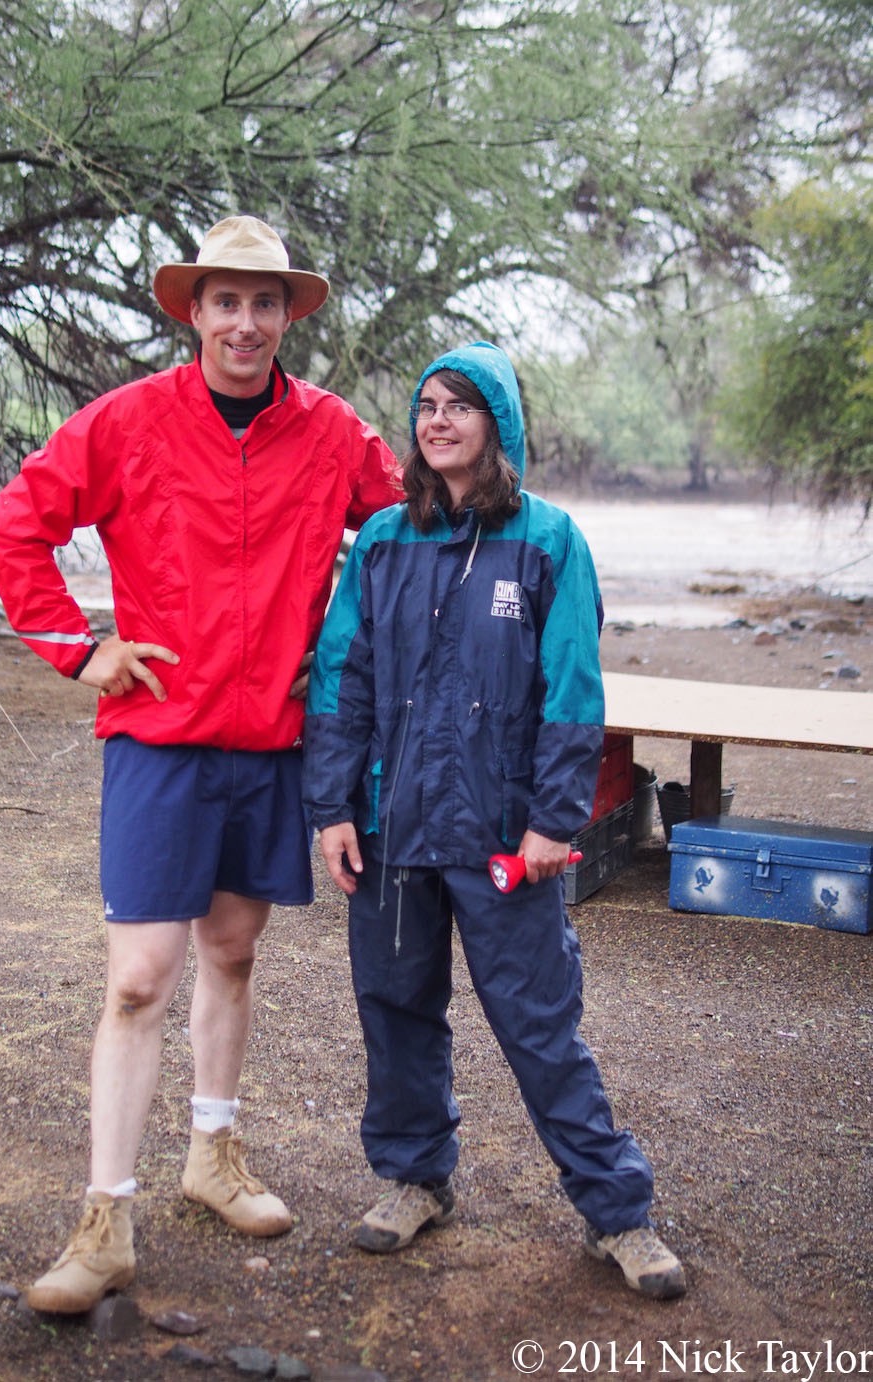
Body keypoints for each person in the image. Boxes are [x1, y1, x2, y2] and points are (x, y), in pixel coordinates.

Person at [0, 215, 400, 1314]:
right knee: (136, 977)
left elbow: (404, 536)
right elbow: (12, 529)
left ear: (287, 315)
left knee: (232, 949)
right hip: (158, 736)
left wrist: (350, 649)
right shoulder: (128, 421)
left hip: (271, 740)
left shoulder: (332, 431)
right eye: (226, 300)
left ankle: (211, 1151)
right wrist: (82, 647)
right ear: (194, 310)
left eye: (266, 303)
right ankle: (103, 1217)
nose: (246, 322)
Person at [301, 340, 686, 1300]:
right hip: (391, 829)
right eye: (426, 406)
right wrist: (333, 808)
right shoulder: (384, 543)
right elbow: (341, 680)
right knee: (394, 1008)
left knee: (538, 1021)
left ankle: (617, 1211)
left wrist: (555, 819)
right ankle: (413, 1177)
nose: (436, 421)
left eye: (459, 407)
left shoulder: (548, 540)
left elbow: (572, 690)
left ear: (498, 426)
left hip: (504, 834)